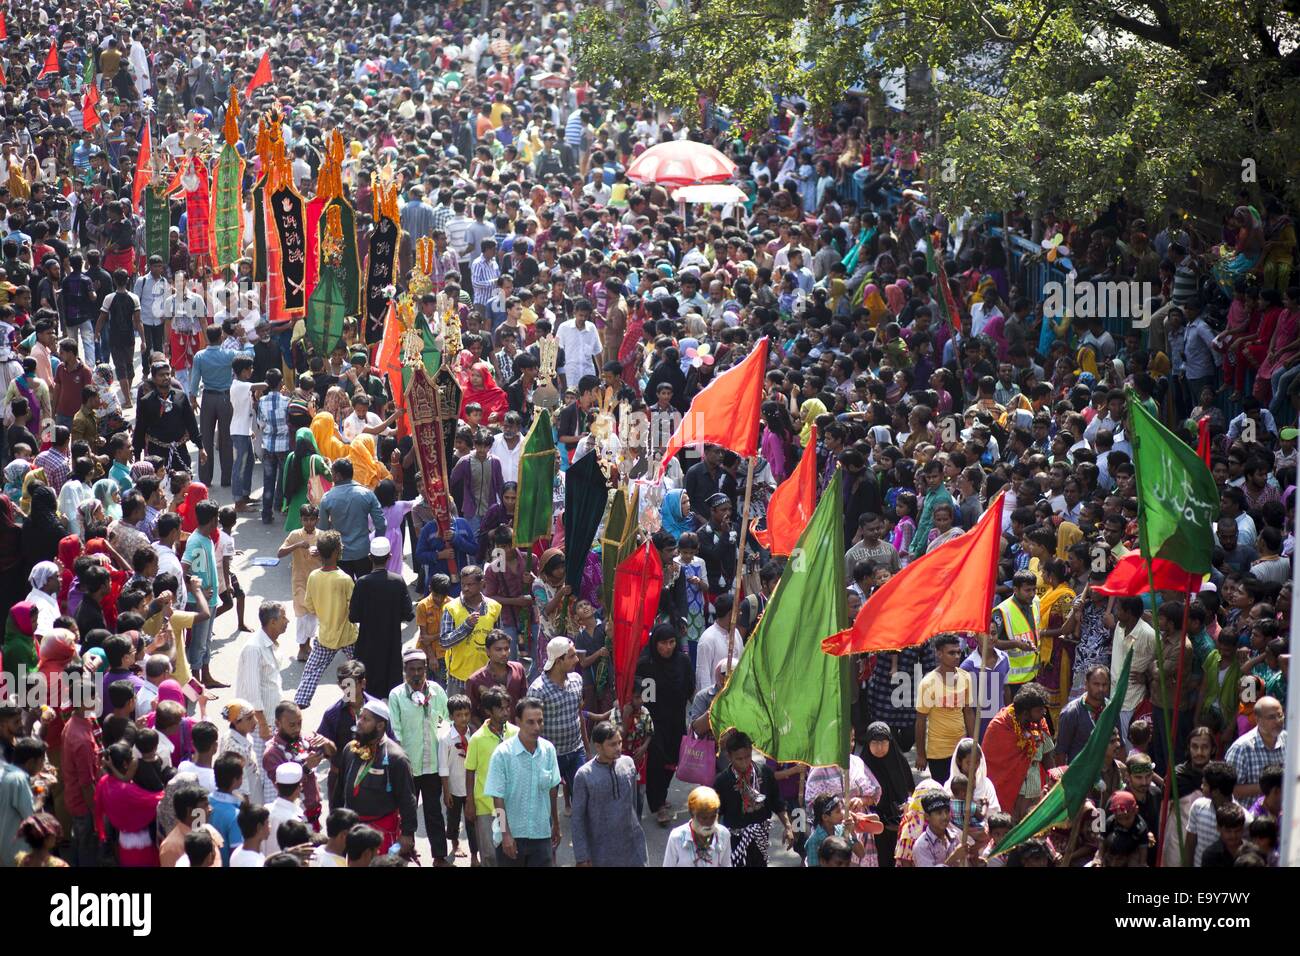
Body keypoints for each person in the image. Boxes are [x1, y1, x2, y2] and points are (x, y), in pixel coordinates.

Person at [387, 647, 451, 866]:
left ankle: (439, 855)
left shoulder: (437, 691)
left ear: (426, 670)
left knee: (434, 811)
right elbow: (395, 732)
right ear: (405, 671)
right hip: (408, 766)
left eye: (420, 670)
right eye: (411, 670)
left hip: (433, 765)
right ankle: (407, 851)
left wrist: (443, 739)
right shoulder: (396, 695)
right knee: (407, 812)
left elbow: (446, 721)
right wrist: (401, 762)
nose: (416, 674)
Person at [484, 696, 562, 867]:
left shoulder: (548, 750)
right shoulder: (502, 754)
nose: (537, 727)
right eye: (530, 722)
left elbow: (552, 791)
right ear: (518, 721)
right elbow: (498, 797)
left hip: (541, 833)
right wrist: (505, 835)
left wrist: (555, 824)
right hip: (512, 837)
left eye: (540, 721)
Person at [338, 699, 419, 857]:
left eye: (366, 719)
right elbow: (340, 789)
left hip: (381, 835)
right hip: (353, 831)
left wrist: (407, 834)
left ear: (380, 725)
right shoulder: (350, 749)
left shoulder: (396, 758)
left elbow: (407, 799)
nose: (359, 722)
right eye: (360, 717)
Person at [295, 531, 359, 708]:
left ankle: (299, 704)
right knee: (354, 671)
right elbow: (354, 609)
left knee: (311, 671)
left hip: (325, 635)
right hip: (348, 635)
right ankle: (352, 703)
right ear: (338, 552)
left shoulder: (314, 576)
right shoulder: (345, 579)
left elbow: (309, 604)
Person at [570, 721, 648, 867]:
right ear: (598, 746)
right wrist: (582, 856)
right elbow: (578, 819)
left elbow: (634, 804)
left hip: (631, 845)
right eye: (612, 744)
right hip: (601, 851)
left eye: (619, 742)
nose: (618, 748)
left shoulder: (628, 764)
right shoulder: (584, 775)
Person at [234, 601, 290, 803]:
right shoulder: (254, 648)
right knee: (258, 772)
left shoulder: (270, 644)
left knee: (269, 770)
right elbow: (252, 693)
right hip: (258, 726)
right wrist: (264, 726)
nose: (287, 621)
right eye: (284, 618)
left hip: (269, 721)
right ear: (273, 621)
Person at [714, 731, 793, 867]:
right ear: (729, 756)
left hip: (760, 837)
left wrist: (788, 827)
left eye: (748, 756)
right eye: (739, 759)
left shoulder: (765, 773)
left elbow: (777, 802)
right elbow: (715, 813)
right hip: (735, 840)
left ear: (751, 751)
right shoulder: (722, 781)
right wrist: (713, 839)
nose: (744, 762)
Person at [349, 537, 415, 698]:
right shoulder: (398, 581)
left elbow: (353, 616)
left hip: (367, 645)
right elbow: (409, 614)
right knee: (392, 694)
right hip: (391, 646)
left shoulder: (362, 583)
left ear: (370, 557)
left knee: (359, 687)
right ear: (390, 556)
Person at [528, 637, 587, 813]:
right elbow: (531, 728)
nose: (576, 660)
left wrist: (586, 748)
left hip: (576, 750)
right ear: (559, 660)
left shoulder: (576, 680)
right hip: (548, 756)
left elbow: (579, 715)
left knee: (583, 799)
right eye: (572, 656)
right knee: (545, 803)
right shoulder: (538, 689)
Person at [464, 686, 518, 868]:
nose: (505, 712)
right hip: (485, 806)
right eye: (500, 709)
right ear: (488, 711)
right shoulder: (477, 739)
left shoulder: (516, 734)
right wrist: (470, 802)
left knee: (512, 851)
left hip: (511, 803)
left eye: (507, 708)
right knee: (489, 855)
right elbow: (470, 771)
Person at [914, 633, 976, 783]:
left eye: (958, 652)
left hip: (961, 749)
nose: (956, 656)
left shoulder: (966, 677)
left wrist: (974, 744)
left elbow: (968, 712)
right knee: (945, 795)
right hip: (938, 752)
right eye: (951, 653)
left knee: (964, 792)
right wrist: (921, 754)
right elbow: (920, 721)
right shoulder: (928, 683)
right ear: (939, 654)